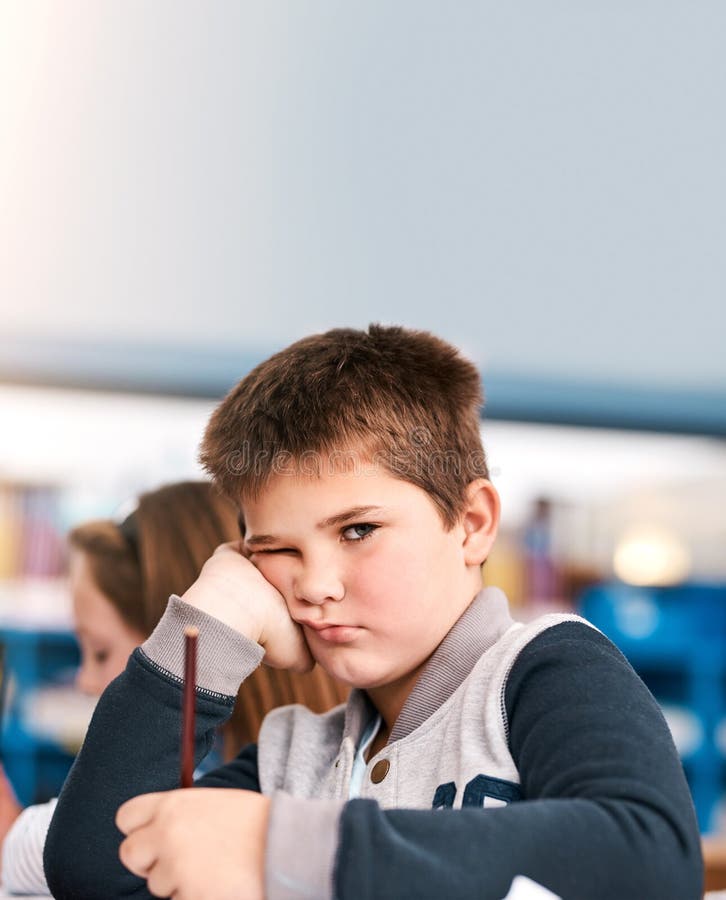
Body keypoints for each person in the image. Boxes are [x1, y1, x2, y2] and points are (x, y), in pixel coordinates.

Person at [44, 326, 702, 900]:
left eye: (358, 530)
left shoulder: (544, 670)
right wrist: (208, 625)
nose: (315, 586)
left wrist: (287, 851)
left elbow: (651, 863)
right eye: (276, 549)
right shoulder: (294, 754)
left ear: (472, 524)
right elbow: (97, 870)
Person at [0, 481, 346, 895]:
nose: (84, 680)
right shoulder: (272, 764)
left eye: (100, 651)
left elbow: (47, 848)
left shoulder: (254, 783)